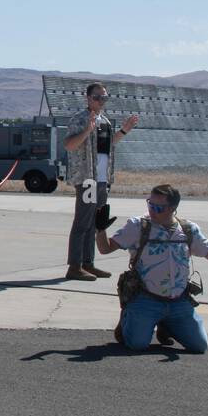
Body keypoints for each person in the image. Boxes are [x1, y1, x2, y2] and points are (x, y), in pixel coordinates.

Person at [95, 185, 208, 353]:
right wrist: (100, 230)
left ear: (172, 208)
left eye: (158, 207)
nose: (152, 210)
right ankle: (129, 317)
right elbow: (105, 249)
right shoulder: (138, 226)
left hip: (178, 301)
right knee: (137, 344)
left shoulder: (187, 230)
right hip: (145, 299)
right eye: (150, 204)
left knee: (200, 346)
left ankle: (166, 324)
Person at [63, 82, 139, 280]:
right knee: (82, 222)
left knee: (96, 223)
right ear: (88, 98)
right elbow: (70, 145)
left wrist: (123, 131)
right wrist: (87, 130)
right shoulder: (80, 120)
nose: (101, 101)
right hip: (87, 179)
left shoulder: (104, 121)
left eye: (104, 98)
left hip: (102, 180)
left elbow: (107, 145)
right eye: (98, 97)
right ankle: (74, 266)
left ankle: (88, 263)